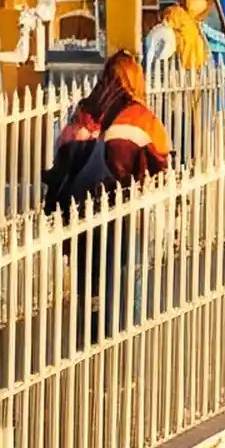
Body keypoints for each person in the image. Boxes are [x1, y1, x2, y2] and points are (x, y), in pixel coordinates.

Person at [42, 51, 170, 341]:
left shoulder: (83, 113)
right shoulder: (140, 116)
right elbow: (161, 158)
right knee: (130, 273)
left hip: (79, 210)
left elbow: (61, 154)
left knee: (87, 281)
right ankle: (128, 337)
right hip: (126, 211)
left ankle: (86, 337)